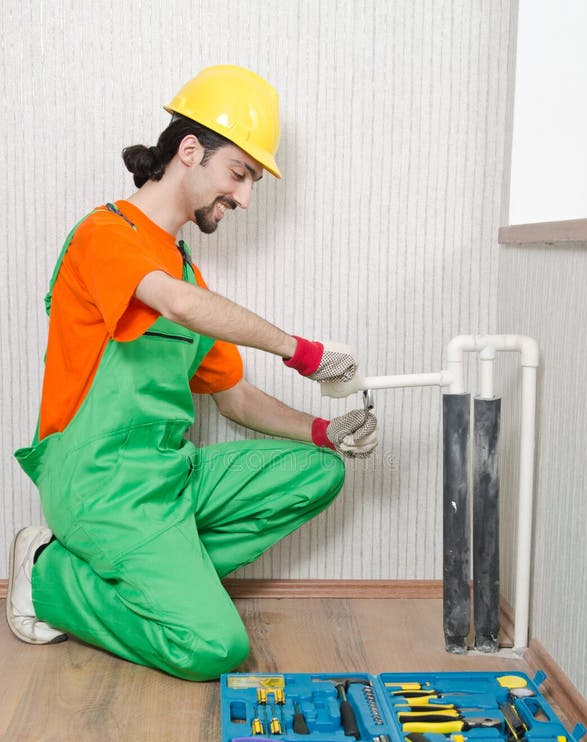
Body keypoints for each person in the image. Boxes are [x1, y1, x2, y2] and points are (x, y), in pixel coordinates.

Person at [7, 65, 377, 681]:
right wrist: (300, 351)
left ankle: (168, 574)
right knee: (214, 648)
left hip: (171, 477)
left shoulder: (187, 274)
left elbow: (235, 397)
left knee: (319, 471)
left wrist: (325, 431)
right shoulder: (105, 236)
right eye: (239, 174)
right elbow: (177, 306)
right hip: (99, 484)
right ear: (188, 151)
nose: (245, 198)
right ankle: (48, 573)